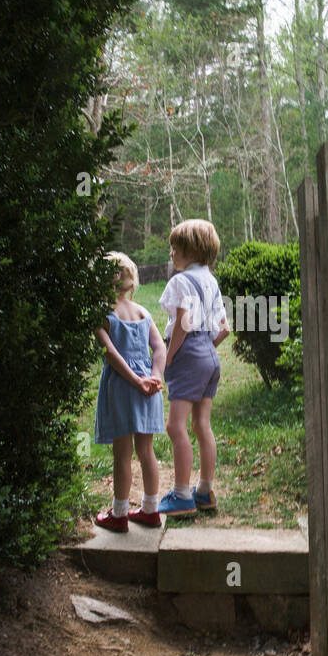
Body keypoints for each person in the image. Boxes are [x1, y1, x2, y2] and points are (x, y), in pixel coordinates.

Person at [157, 219, 230, 517]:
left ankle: (181, 496)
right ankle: (205, 491)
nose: (172, 254)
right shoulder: (210, 280)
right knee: (202, 426)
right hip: (209, 358)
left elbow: (184, 323)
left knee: (175, 426)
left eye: (175, 248)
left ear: (189, 250)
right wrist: (205, 353)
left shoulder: (181, 280)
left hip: (188, 355)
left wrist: (169, 357)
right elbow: (224, 328)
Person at [92, 252, 166, 532]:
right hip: (148, 387)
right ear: (132, 283)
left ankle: (119, 513)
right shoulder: (143, 313)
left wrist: (136, 381)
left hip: (124, 386)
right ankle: (150, 510)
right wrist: (154, 377)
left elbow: (110, 354)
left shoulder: (103, 317)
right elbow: (159, 348)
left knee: (122, 454)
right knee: (146, 451)